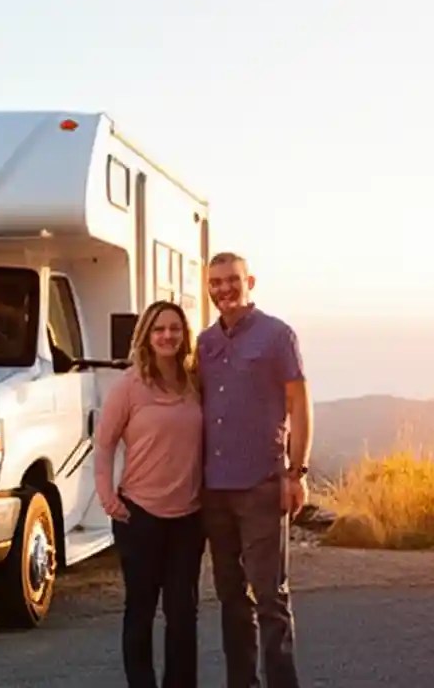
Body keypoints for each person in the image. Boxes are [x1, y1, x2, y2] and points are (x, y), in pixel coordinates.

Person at [197, 252, 313, 688]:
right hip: (214, 489)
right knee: (230, 598)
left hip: (262, 485)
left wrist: (296, 472)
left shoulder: (277, 335)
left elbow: (300, 405)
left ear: (250, 281)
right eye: (215, 282)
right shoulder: (205, 343)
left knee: (270, 598)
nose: (223, 289)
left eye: (231, 280)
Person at [94, 299, 206, 688]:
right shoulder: (129, 385)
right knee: (140, 611)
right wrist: (107, 497)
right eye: (159, 329)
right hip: (139, 516)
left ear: (184, 335)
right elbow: (104, 443)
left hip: (189, 519)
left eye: (175, 328)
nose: (167, 336)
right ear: (146, 335)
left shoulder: (195, 382)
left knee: (183, 613)